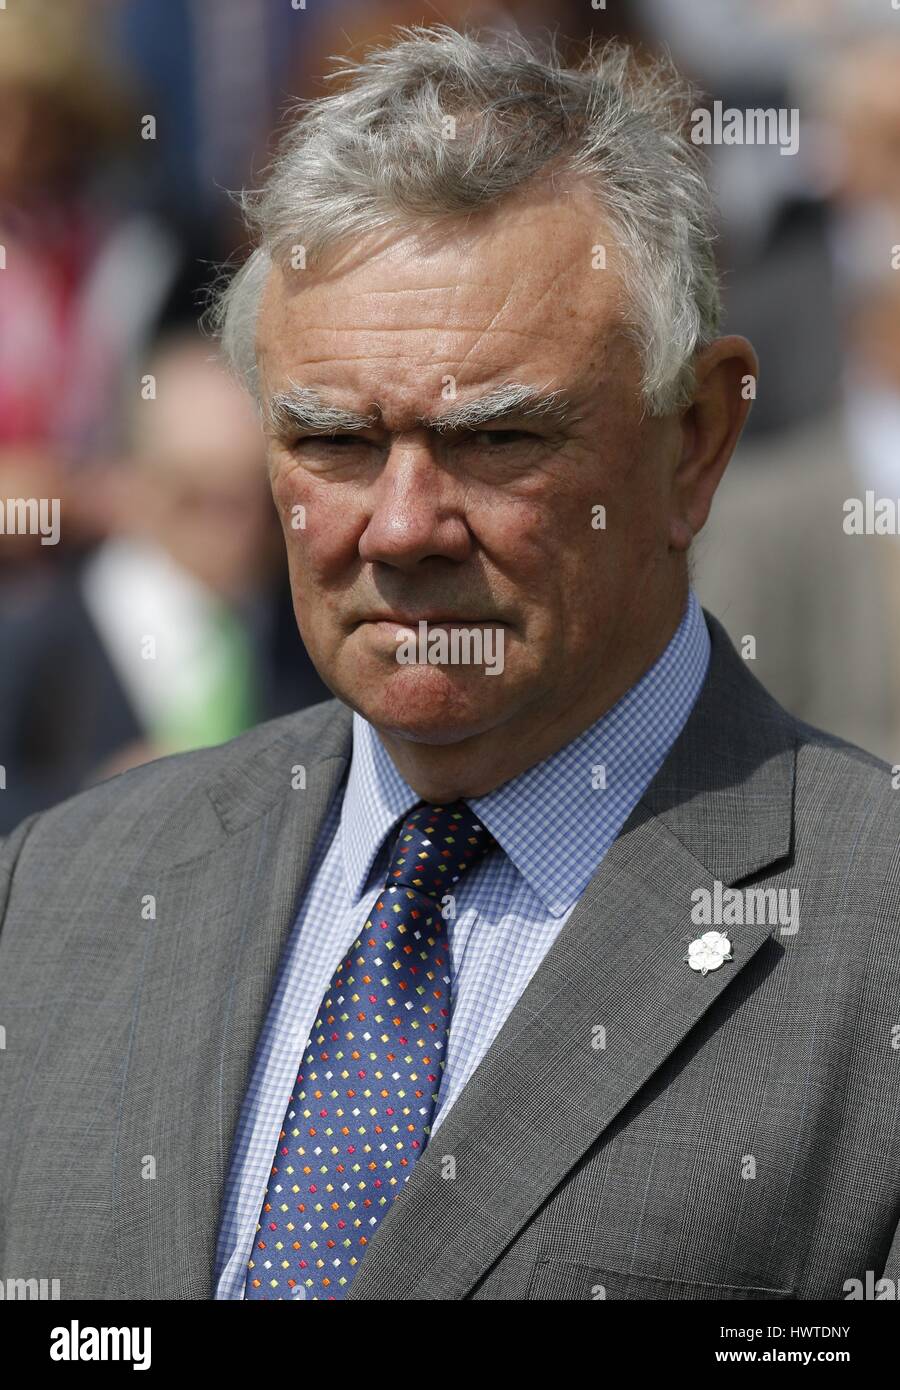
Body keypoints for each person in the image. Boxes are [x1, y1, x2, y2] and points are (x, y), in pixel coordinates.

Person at [1, 26, 898, 1303]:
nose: (404, 526)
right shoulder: (61, 897)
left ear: (693, 442)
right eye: (331, 441)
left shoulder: (870, 942)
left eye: (497, 439)